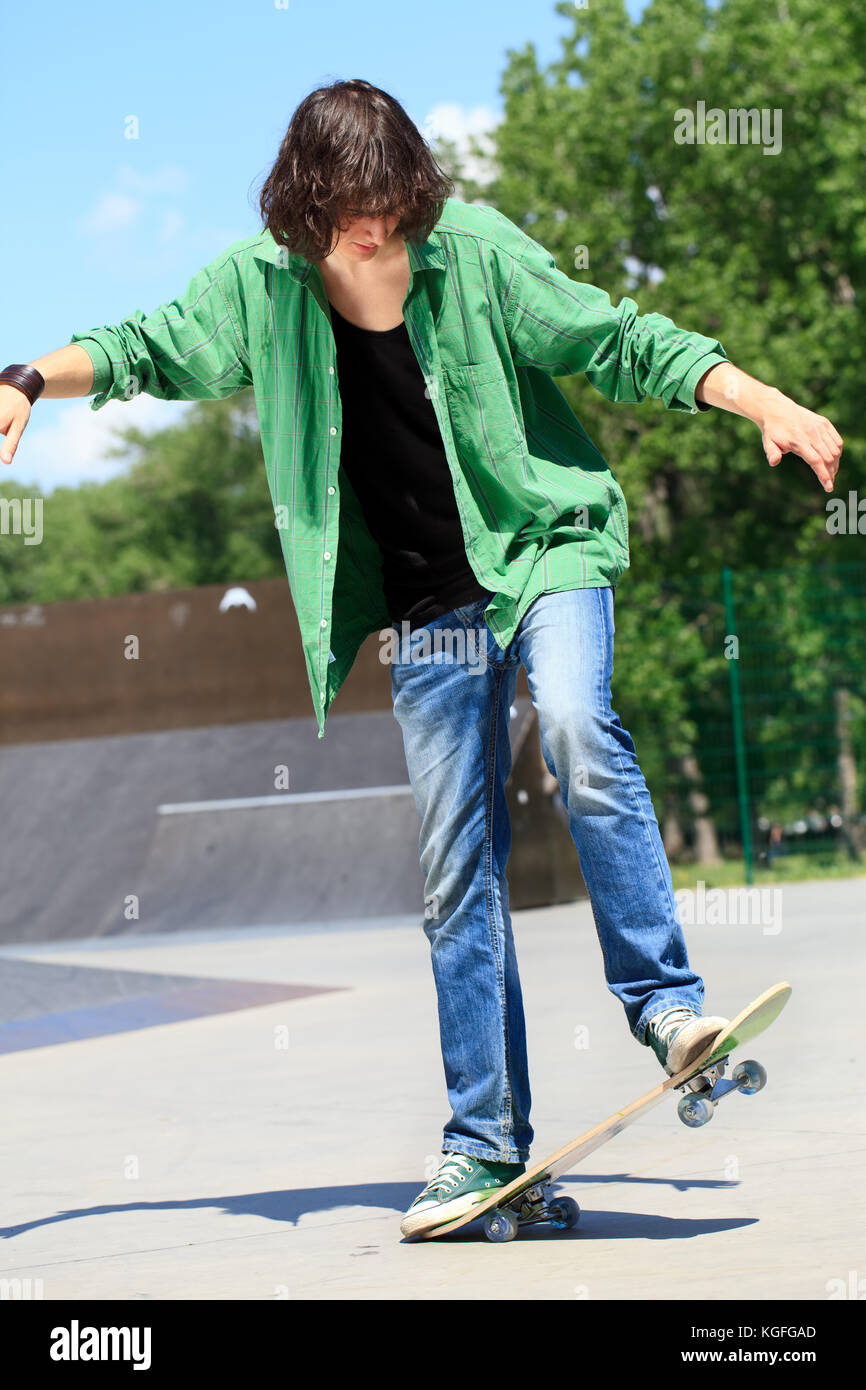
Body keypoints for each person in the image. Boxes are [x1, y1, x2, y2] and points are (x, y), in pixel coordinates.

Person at [0, 78, 842, 1239]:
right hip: (430, 610)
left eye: (394, 206)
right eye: (354, 209)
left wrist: (761, 401)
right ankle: (485, 1144)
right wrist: (27, 377)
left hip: (543, 551)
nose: (378, 232)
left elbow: (617, 338)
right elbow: (147, 345)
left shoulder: (476, 251)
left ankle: (666, 1008)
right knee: (456, 873)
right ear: (306, 200)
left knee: (579, 733)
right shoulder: (259, 287)